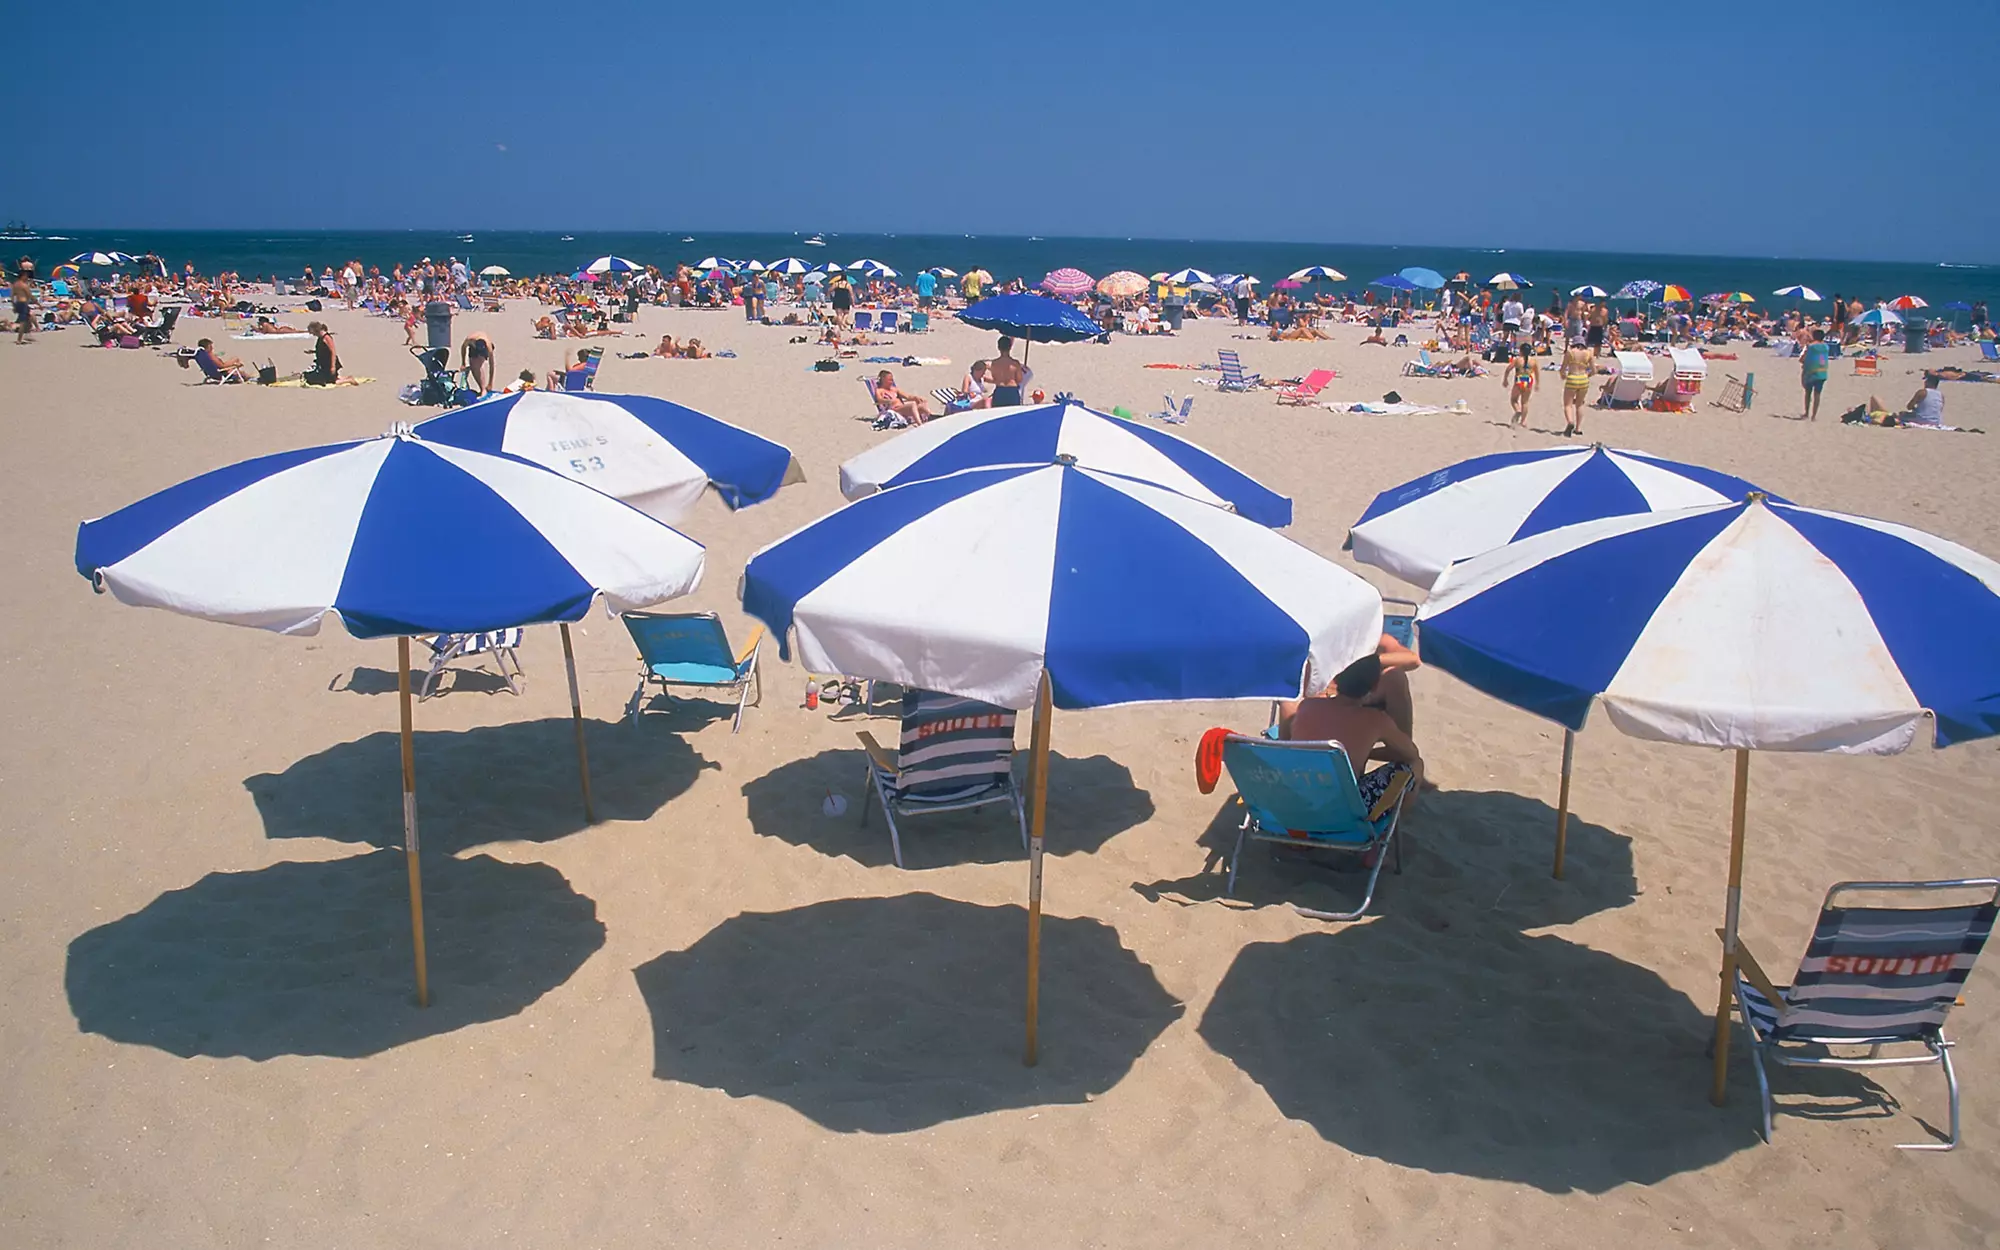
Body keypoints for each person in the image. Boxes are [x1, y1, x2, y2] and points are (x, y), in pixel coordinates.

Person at [1277, 651, 1425, 811]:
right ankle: (1385, 828)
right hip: (1341, 810)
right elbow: (1411, 754)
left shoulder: (1307, 706)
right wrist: (1365, 752)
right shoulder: (1376, 720)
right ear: (1375, 686)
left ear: (1335, 678)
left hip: (1296, 801)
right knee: (1415, 765)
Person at [1560, 339, 1593, 436]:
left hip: (1572, 377)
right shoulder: (1588, 353)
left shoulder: (1570, 352)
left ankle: (1570, 422)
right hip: (1583, 379)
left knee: (1568, 404)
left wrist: (1563, 376)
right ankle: (1578, 429)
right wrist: (1587, 376)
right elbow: (1594, 370)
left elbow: (1563, 369)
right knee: (1579, 404)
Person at [1799, 328, 1831, 421]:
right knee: (1817, 394)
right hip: (1822, 372)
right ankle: (1814, 416)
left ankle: (1806, 413)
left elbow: (1803, 358)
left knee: (1808, 393)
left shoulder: (1811, 346)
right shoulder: (1826, 346)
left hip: (1811, 372)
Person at [987, 335, 1026, 406]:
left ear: (998, 347)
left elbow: (995, 378)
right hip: (1012, 391)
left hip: (1000, 391)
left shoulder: (994, 363)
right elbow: (1019, 379)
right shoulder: (1015, 363)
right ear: (1010, 347)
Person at [1504, 344, 1537, 428]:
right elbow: (1536, 372)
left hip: (1519, 380)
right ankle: (1523, 421)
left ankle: (1518, 410)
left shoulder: (1517, 360)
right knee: (1525, 402)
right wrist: (1538, 383)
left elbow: (1508, 369)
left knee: (1514, 400)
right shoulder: (1533, 361)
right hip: (1528, 380)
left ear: (1521, 351)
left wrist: (1505, 379)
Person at [12, 268, 34, 343]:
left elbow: (12, 296)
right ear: (22, 276)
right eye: (26, 276)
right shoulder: (24, 285)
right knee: (23, 322)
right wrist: (39, 304)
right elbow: (30, 296)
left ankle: (27, 335)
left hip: (18, 303)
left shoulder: (15, 284)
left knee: (29, 318)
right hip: (23, 304)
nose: (27, 277)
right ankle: (19, 339)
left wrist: (14, 306)